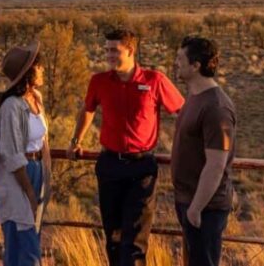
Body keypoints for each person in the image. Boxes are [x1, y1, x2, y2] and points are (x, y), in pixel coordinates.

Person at [68, 29, 184, 266]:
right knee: (113, 238)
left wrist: (186, 148)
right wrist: (75, 141)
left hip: (141, 168)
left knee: (135, 241)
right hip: (109, 165)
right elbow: (88, 109)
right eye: (107, 50)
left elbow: (183, 113)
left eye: (114, 50)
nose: (109, 55)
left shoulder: (154, 80)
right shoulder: (99, 81)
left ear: (130, 50)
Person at [172, 36, 236, 266]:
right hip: (190, 202)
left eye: (180, 59)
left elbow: (216, 164)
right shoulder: (195, 97)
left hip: (205, 208)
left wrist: (195, 209)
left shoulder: (216, 107)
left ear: (196, 65)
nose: (176, 63)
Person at [0, 42, 52, 266]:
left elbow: (41, 140)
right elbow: (11, 154)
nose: (42, 69)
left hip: (37, 170)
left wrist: (46, 175)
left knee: (31, 235)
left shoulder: (36, 98)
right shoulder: (12, 106)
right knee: (24, 243)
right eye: (38, 65)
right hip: (19, 177)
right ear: (27, 73)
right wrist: (29, 192)